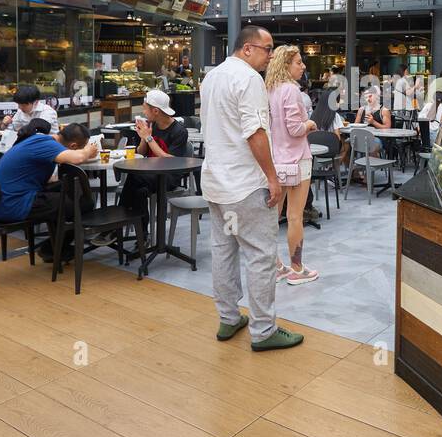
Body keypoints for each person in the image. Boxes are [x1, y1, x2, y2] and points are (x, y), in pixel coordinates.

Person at [200, 25, 304, 351]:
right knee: (260, 256)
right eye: (267, 48)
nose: (270, 55)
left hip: (216, 182)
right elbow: (255, 133)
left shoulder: (213, 77)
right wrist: (273, 178)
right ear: (247, 48)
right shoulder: (249, 79)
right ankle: (263, 330)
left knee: (224, 251)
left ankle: (229, 318)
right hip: (245, 185)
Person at [0, 120, 98, 262]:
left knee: (67, 189)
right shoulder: (47, 145)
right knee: (84, 203)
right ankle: (52, 249)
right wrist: (87, 151)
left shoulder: (40, 139)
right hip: (14, 204)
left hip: (3, 200)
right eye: (80, 147)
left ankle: (57, 246)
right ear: (73, 146)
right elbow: (77, 158)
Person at [266, 46, 319, 286]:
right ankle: (297, 269)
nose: (303, 66)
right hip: (298, 159)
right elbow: (296, 129)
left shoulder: (269, 90)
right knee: (295, 216)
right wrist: (310, 123)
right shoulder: (291, 90)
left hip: (276, 160)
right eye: (299, 62)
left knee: (272, 218)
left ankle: (276, 266)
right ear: (286, 65)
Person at [120, 89, 191, 219]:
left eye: (145, 109)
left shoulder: (179, 131)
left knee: (134, 178)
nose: (143, 112)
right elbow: (141, 153)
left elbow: (171, 161)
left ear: (156, 111)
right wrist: (143, 137)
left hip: (169, 175)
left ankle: (115, 226)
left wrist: (149, 138)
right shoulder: (152, 125)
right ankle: (143, 235)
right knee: (140, 192)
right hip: (150, 172)